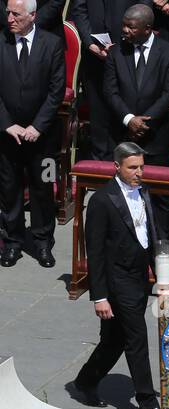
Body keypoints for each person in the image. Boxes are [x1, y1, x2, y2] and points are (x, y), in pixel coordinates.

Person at [68, 143, 161, 409]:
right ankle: (147, 400)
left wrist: (162, 278)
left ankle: (85, 381)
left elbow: (151, 236)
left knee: (114, 339)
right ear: (117, 167)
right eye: (133, 167)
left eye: (142, 166)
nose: (139, 173)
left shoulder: (144, 192)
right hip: (117, 280)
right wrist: (100, 296)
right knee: (136, 337)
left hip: (139, 277)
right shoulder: (102, 200)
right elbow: (94, 252)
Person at [103, 5, 169, 241]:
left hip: (157, 135)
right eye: (124, 24)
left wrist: (145, 120)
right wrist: (129, 120)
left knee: (161, 196)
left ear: (147, 29)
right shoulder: (116, 53)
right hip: (124, 135)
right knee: (124, 193)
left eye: (130, 26)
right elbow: (110, 91)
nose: (124, 30)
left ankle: (162, 248)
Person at [0, 0, 64, 269]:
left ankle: (42, 242)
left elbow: (56, 90)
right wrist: (7, 124)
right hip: (8, 137)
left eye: (16, 14)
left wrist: (37, 126)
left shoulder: (52, 44)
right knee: (9, 190)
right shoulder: (1, 41)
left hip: (44, 138)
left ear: (33, 15)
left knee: (43, 189)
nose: (10, 19)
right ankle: (12, 242)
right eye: (7, 13)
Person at [69, 0, 130, 162]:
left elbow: (143, 6)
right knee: (98, 114)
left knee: (124, 111)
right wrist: (89, 44)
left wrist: (129, 38)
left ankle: (124, 167)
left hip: (127, 51)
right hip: (94, 54)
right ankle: (99, 171)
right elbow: (79, 10)